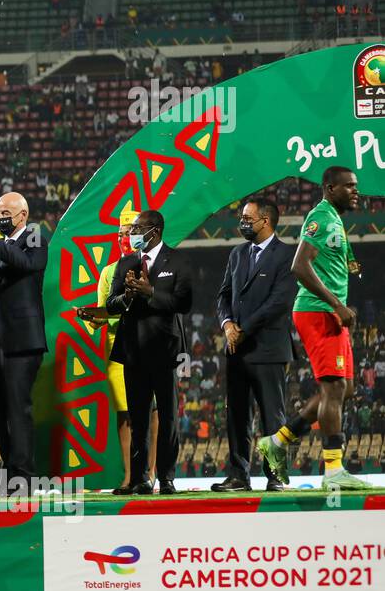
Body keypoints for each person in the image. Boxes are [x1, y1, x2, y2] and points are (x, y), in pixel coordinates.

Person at [258, 167, 370, 490]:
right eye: (348, 186)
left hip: (329, 313)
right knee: (333, 391)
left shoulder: (335, 219)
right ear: (329, 187)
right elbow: (299, 265)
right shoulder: (320, 218)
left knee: (342, 390)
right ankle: (333, 470)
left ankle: (278, 442)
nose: (355, 191)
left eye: (356, 186)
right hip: (318, 312)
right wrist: (336, 304)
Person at [95, 209, 193, 495]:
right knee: (137, 418)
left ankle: (166, 477)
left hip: (164, 349)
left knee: (167, 417)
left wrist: (150, 292)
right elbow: (111, 304)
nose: (132, 233)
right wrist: (126, 295)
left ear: (155, 231)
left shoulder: (177, 260)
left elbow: (182, 302)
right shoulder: (125, 263)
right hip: (133, 349)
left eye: (138, 228)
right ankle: (139, 479)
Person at [212, 198, 297, 492]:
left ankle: (275, 475)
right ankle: (238, 475)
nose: (243, 223)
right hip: (237, 350)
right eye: (241, 218)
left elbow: (279, 302)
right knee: (236, 415)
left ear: (266, 221)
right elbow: (222, 296)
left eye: (248, 218)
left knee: (273, 415)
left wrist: (242, 330)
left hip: (268, 349)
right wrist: (226, 325)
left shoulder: (287, 255)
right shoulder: (237, 254)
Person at [0, 191, 48, 491]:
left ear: (23, 215)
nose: (0, 218)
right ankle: (9, 473)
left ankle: (25, 476)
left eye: (6, 213)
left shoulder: (36, 238)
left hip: (23, 338)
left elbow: (27, 265)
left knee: (18, 407)